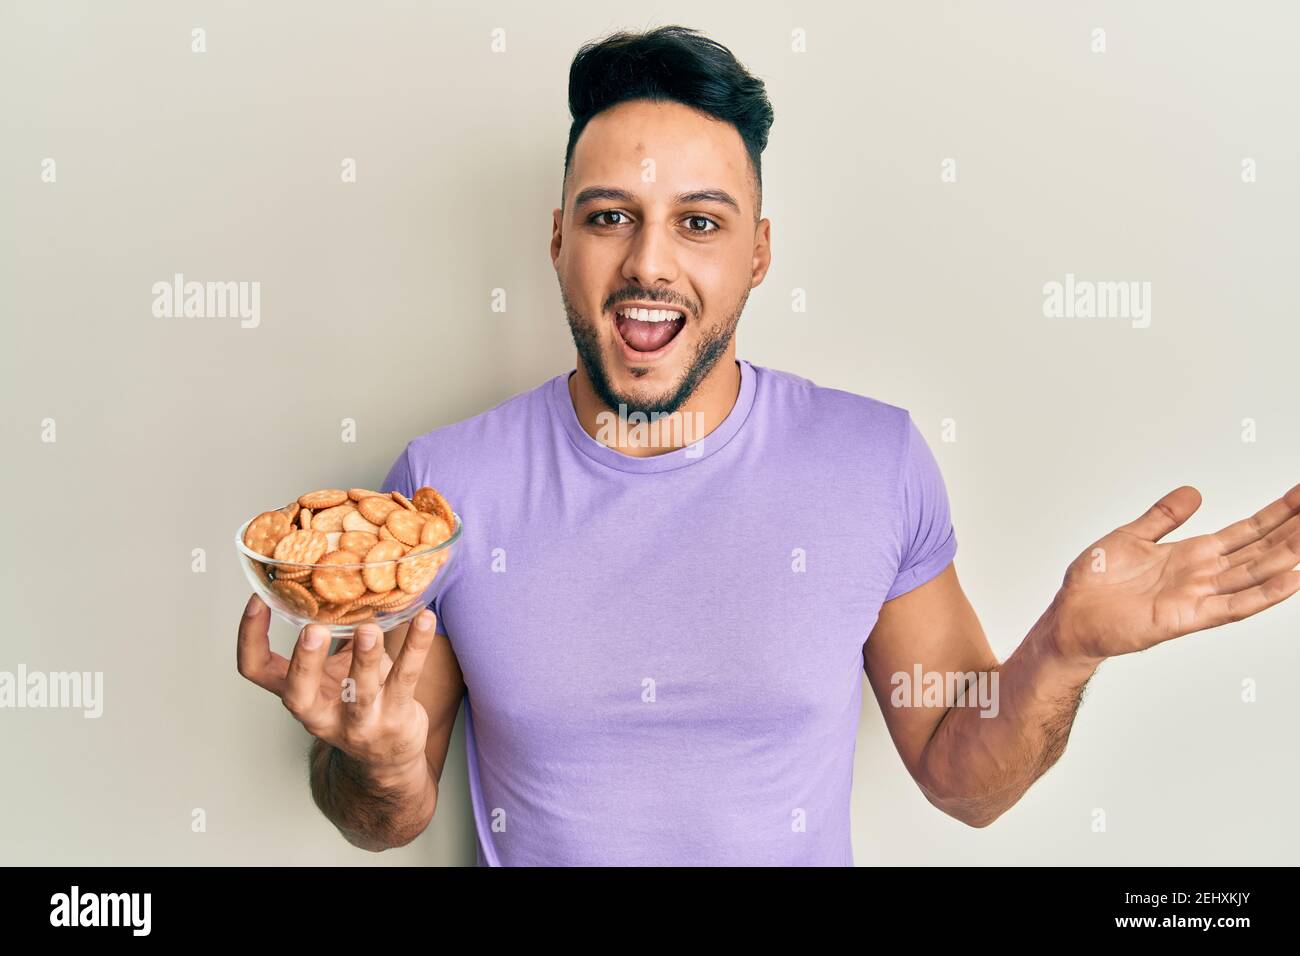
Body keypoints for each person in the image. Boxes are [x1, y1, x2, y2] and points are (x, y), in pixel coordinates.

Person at [236, 25, 1300, 865]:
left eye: (700, 222)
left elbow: (961, 776)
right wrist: (371, 764)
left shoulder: (870, 462)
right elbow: (382, 814)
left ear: (758, 254)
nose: (649, 262)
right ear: (558, 239)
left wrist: (1063, 646)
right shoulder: (441, 487)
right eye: (609, 217)